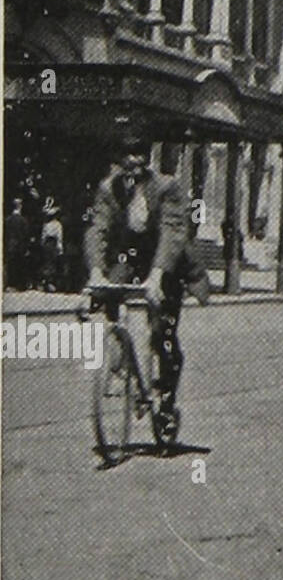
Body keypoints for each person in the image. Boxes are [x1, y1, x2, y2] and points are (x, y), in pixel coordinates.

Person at [80, 135, 207, 442]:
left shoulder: (167, 187)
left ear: (148, 158)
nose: (133, 161)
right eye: (127, 155)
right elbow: (99, 229)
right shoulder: (108, 189)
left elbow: (171, 233)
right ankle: (122, 353)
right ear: (118, 160)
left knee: (163, 332)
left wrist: (157, 277)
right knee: (106, 291)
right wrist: (96, 272)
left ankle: (165, 398)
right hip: (132, 258)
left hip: (169, 263)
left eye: (139, 154)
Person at [5, 198, 30, 291]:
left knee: (10, 265)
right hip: (20, 246)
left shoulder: (7, 220)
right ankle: (18, 285)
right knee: (19, 265)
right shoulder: (23, 221)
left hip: (10, 245)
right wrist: (26, 248)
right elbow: (25, 235)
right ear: (20, 206)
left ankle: (10, 284)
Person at [40, 205, 64, 292]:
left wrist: (42, 244)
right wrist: (60, 248)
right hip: (53, 243)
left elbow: (43, 236)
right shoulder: (58, 224)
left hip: (47, 243)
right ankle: (50, 283)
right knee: (53, 262)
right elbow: (59, 237)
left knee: (47, 262)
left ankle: (46, 282)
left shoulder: (46, 224)